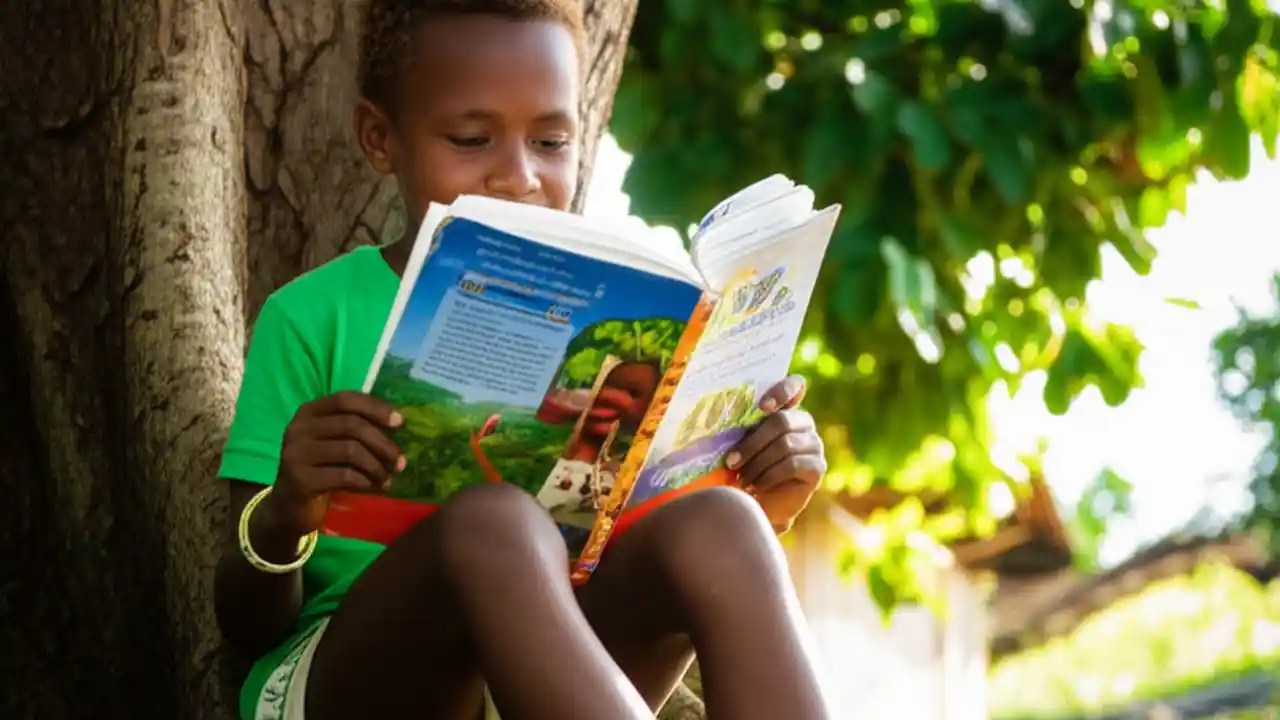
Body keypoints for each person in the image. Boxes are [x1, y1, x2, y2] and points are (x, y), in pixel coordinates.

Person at [213, 2, 834, 719]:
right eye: (472, 139)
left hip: (561, 668)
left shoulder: (623, 325)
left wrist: (757, 484)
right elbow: (245, 623)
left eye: (550, 142)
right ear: (380, 139)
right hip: (366, 681)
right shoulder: (313, 316)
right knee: (494, 522)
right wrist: (288, 509)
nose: (518, 176)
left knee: (725, 524)